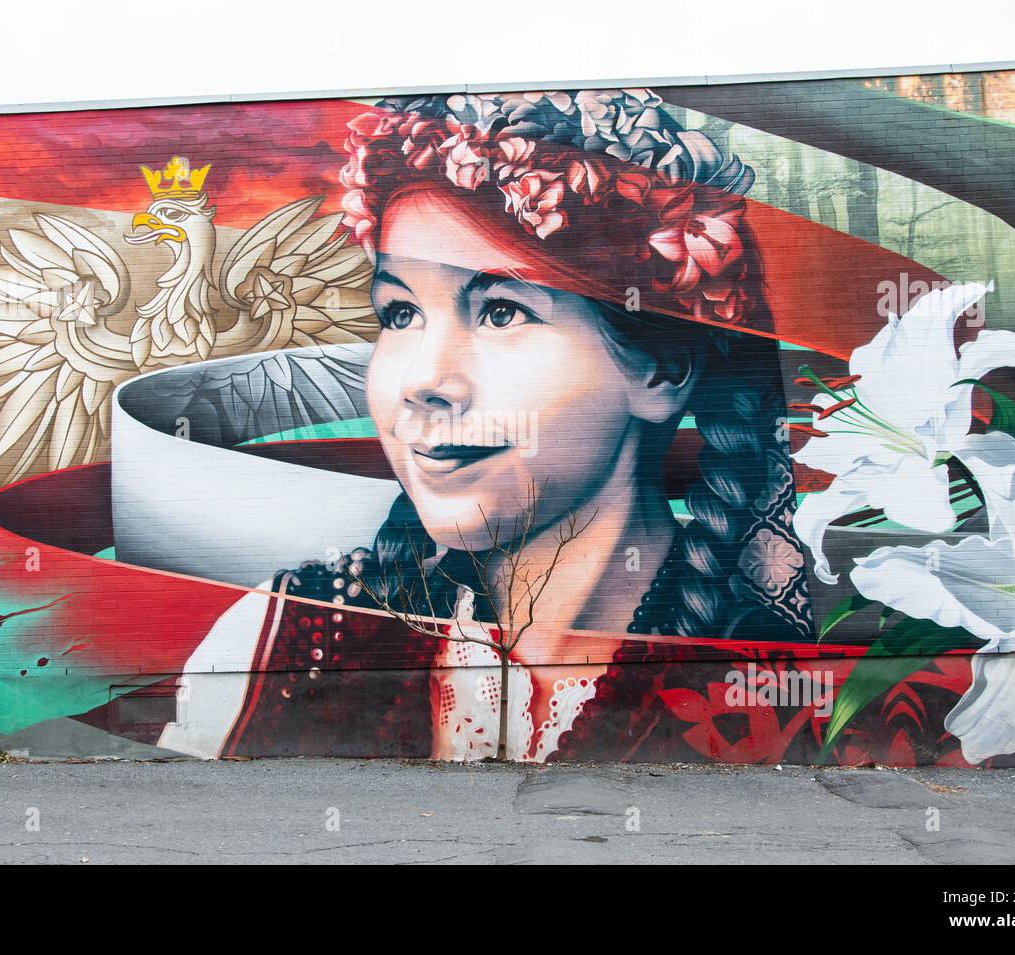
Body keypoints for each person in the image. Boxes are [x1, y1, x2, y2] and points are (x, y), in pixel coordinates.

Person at [217, 90, 817, 762]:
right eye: (399, 314)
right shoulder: (293, 632)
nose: (422, 380)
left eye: (501, 312)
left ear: (660, 368)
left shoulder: (770, 695)